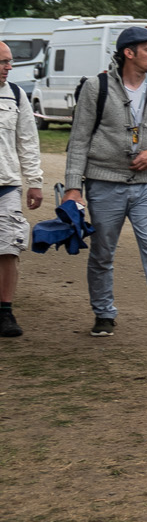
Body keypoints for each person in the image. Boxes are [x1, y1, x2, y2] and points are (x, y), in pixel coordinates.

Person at [62, 26, 147, 340]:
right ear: (128, 53)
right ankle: (104, 313)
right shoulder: (97, 86)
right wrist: (72, 187)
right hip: (104, 183)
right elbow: (79, 140)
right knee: (103, 252)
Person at [0, 40, 43, 338]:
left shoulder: (16, 95)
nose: (9, 67)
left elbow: (28, 141)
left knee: (8, 249)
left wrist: (35, 182)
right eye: (3, 62)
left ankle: (5, 312)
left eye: (10, 61)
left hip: (6, 186)